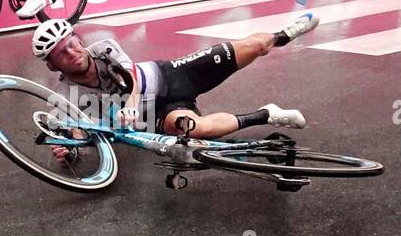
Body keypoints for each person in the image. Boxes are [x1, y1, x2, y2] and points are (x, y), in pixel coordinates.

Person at [31, 13, 321, 146]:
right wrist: (68, 150)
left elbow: (130, 75)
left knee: (253, 47)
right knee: (192, 129)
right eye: (61, 53)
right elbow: (78, 131)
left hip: (171, 75)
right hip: (157, 116)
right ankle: (266, 115)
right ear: (52, 64)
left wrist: (128, 108)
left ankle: (284, 35)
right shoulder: (65, 92)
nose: (72, 52)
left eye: (71, 43)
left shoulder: (103, 48)